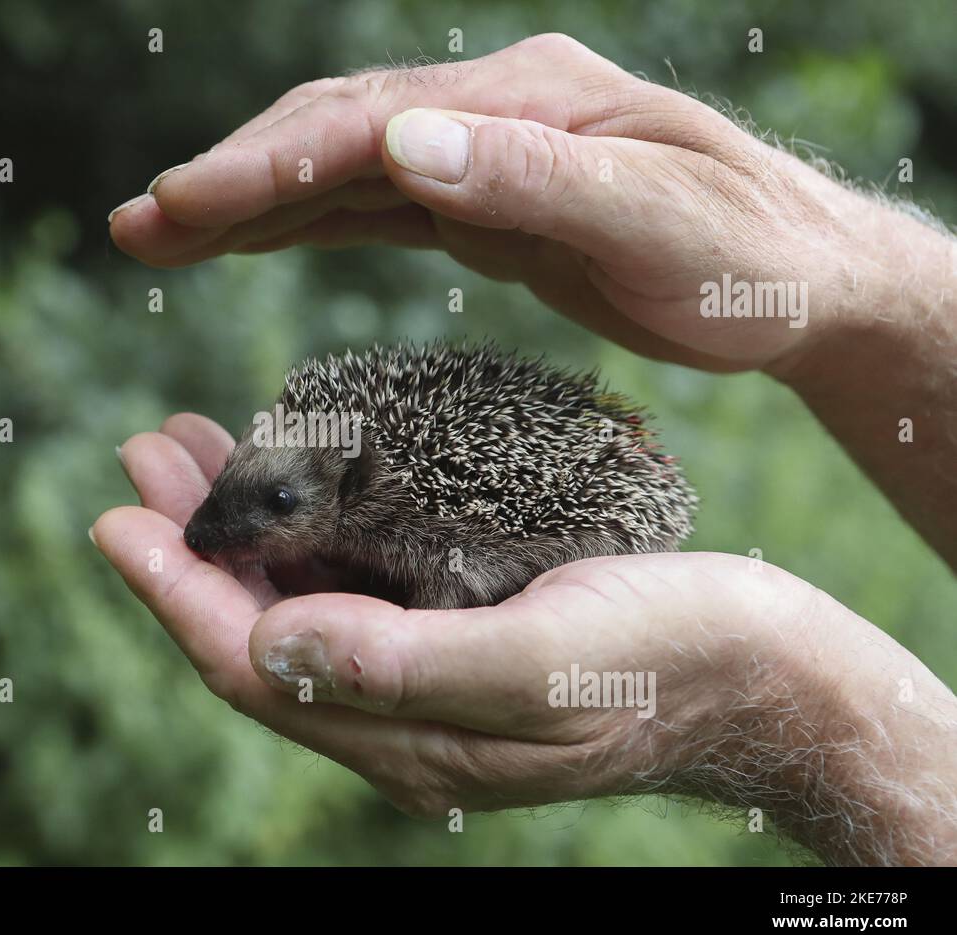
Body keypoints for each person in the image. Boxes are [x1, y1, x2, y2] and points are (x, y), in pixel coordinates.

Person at [99, 34, 957, 865]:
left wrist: (789, 717)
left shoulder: (406, 511)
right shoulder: (327, 457)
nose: (221, 528)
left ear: (355, 487)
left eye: (277, 505)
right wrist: (855, 300)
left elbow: (451, 570)